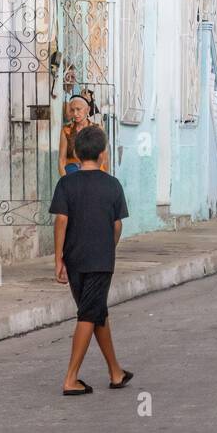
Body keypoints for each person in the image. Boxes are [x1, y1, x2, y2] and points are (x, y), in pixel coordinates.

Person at [50, 124, 133, 396]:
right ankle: (71, 378)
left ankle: (115, 372)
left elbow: (61, 220)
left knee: (96, 312)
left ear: (75, 151)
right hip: (100, 259)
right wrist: (109, 245)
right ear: (103, 155)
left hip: (74, 259)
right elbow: (117, 225)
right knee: (89, 313)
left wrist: (58, 258)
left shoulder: (66, 183)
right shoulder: (112, 185)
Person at [58, 94, 109, 176]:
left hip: (94, 173)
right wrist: (65, 181)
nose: (75, 113)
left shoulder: (97, 129)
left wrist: (103, 178)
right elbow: (62, 160)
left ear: (88, 109)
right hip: (73, 175)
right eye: (72, 110)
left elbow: (104, 157)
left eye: (78, 109)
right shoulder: (66, 130)